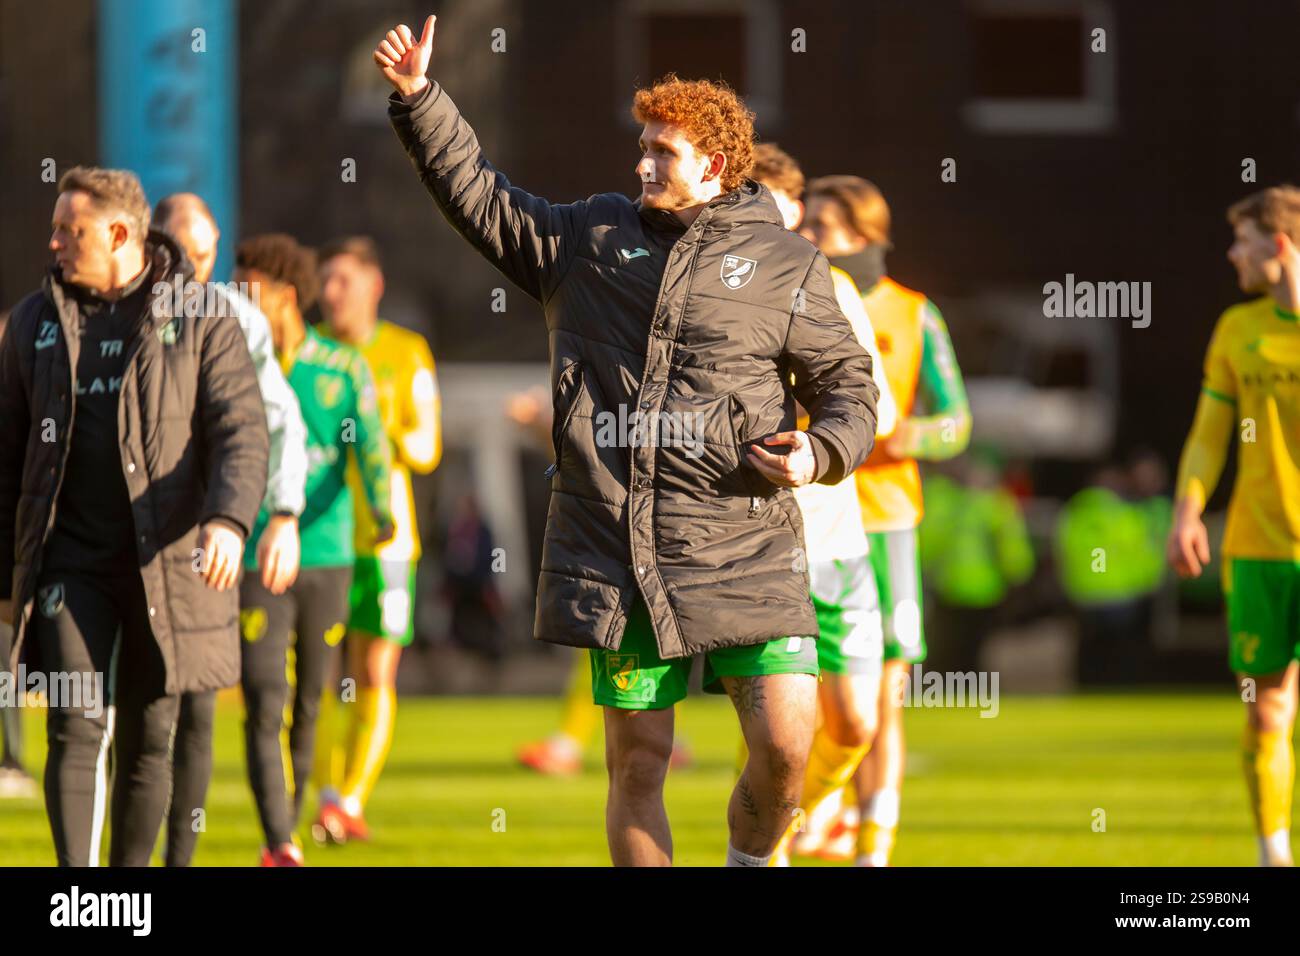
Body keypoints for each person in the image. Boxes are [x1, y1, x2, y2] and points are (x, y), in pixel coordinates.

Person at [375, 16, 877, 866]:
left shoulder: (790, 264)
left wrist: (819, 450)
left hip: (749, 548)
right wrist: (422, 99)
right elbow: (484, 199)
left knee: (788, 749)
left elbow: (851, 390)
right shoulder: (590, 239)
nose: (642, 163)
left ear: (714, 167)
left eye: (663, 152)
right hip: (622, 550)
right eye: (642, 146)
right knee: (637, 764)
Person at [0, 166, 269, 866]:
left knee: (153, 736)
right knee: (74, 724)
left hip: (170, 566)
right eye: (57, 228)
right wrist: (8, 578)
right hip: (70, 565)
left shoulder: (205, 315)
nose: (53, 241)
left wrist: (228, 521)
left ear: (121, 234)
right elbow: (5, 459)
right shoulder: (33, 323)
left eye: (71, 230)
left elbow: (242, 430)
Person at [798, 174, 971, 866]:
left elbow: (956, 421)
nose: (808, 236)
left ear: (863, 238)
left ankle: (876, 838)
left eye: (823, 227)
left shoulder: (914, 313)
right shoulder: (794, 301)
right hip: (812, 516)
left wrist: (899, 439)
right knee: (805, 686)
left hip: (886, 518)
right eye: (803, 221)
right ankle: (816, 813)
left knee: (886, 690)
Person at [747, 144, 900, 866]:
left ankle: (797, 816)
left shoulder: (830, 288)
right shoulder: (714, 290)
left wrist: (815, 434)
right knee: (780, 734)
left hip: (841, 541)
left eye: (786, 216)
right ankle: (768, 843)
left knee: (858, 721)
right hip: (765, 550)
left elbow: (882, 408)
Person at [153, 192, 309, 866]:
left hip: (204, 537)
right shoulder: (111, 310)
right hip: (121, 541)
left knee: (198, 703)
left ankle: (181, 860)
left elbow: (278, 419)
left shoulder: (232, 316)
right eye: (184, 250)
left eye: (207, 253)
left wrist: (282, 515)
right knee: (114, 714)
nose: (195, 264)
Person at [233, 234, 393, 866]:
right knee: (262, 693)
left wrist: (380, 512)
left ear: (283, 296)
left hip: (327, 554)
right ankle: (278, 839)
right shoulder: (234, 362)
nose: (237, 302)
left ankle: (289, 827)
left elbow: (371, 446)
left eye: (249, 290)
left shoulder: (342, 367)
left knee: (310, 701)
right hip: (254, 555)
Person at [1168, 185, 1300, 867]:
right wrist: (1187, 509)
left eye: (1242, 239)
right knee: (1266, 710)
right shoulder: (1236, 328)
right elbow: (1209, 435)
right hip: (1259, 548)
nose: (1231, 253)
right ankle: (1274, 854)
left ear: (1278, 245)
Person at [311, 236, 440, 843]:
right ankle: (320, 793)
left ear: (373, 285)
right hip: (318, 536)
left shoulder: (405, 352)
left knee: (374, 672)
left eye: (343, 280)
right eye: (325, 280)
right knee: (310, 673)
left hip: (388, 542)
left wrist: (376, 429)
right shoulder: (308, 355)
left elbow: (426, 447)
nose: (330, 292)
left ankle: (348, 798)